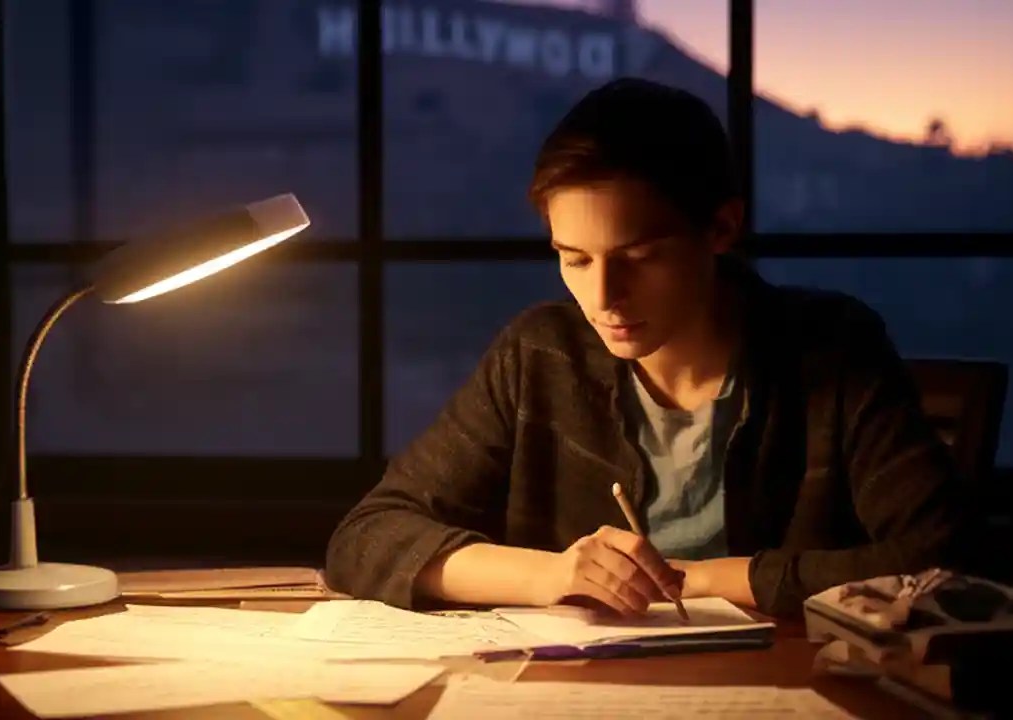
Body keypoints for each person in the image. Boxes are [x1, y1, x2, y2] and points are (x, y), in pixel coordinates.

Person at [325, 77, 969, 618]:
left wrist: (712, 578)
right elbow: (367, 536)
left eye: (639, 257)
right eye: (573, 259)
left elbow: (943, 557)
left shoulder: (832, 347)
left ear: (721, 227)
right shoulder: (541, 355)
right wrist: (552, 576)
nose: (604, 296)